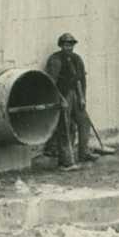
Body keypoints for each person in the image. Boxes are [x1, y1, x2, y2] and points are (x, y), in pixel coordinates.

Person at [43, 31, 98, 167]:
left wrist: (82, 97)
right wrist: (60, 99)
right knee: (65, 127)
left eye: (71, 44)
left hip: (75, 94)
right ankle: (66, 161)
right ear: (61, 45)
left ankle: (83, 153)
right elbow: (51, 83)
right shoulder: (55, 60)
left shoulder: (76, 59)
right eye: (66, 45)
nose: (69, 47)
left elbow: (79, 79)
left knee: (84, 122)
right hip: (62, 95)